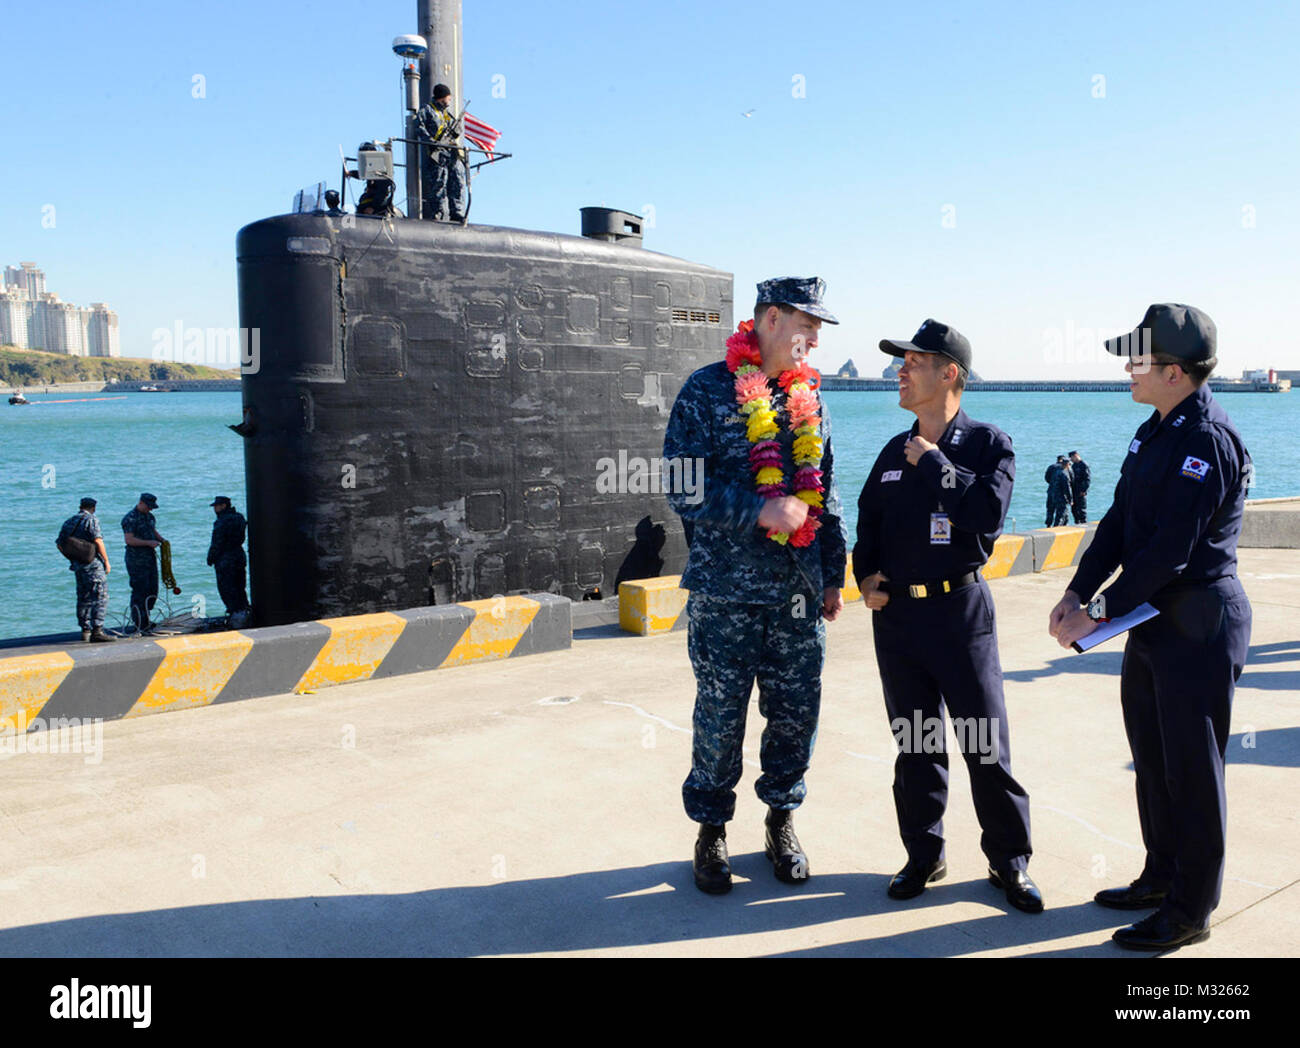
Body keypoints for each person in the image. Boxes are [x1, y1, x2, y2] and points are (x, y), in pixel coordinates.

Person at [1050, 303, 1252, 951]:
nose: (1126, 371)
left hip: (1198, 618)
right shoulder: (1155, 430)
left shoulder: (1207, 440)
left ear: (1173, 370)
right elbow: (1117, 523)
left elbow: (1172, 550)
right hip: (1155, 618)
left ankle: (1191, 910)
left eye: (1136, 361)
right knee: (1156, 760)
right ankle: (1161, 876)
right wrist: (1079, 588)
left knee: (1192, 770)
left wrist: (1098, 612)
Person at [663, 277, 846, 894]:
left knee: (796, 717)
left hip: (797, 599)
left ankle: (781, 822)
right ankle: (711, 832)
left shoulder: (811, 400)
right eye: (806, 323)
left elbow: (828, 496)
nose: (815, 336)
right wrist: (756, 510)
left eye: (819, 328)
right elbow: (682, 487)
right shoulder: (704, 391)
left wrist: (833, 575)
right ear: (769, 319)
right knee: (720, 719)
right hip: (726, 597)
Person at [854, 319, 1041, 914]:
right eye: (900, 362)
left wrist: (936, 463)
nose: (901, 372)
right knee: (915, 744)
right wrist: (866, 576)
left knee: (984, 743)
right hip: (900, 622)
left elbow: (987, 514)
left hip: (960, 613)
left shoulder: (990, 444)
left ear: (949, 373)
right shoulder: (889, 451)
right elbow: (868, 526)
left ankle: (1009, 861)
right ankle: (923, 853)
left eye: (913, 361)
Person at [57, 497, 115, 643]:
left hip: (78, 565)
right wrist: (107, 561)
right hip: (93, 565)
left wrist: (73, 557)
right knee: (100, 596)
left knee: (83, 597)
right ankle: (98, 630)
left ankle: (85, 630)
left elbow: (59, 543)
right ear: (93, 508)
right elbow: (98, 541)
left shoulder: (69, 521)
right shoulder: (92, 520)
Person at [416, 83, 467, 223]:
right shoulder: (427, 110)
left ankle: (456, 211)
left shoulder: (446, 114)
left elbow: (455, 132)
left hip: (450, 153)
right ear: (442, 97)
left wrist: (456, 130)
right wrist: (432, 141)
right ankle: (438, 211)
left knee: (457, 180)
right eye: (448, 98)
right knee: (439, 182)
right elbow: (419, 127)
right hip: (436, 153)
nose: (449, 101)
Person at [121, 492, 165, 635]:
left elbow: (152, 530)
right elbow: (129, 539)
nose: (150, 510)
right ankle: (140, 623)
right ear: (141, 503)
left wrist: (163, 541)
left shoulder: (150, 517)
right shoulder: (130, 518)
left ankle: (147, 619)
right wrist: (148, 543)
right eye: (148, 507)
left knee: (152, 589)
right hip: (136, 560)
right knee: (140, 591)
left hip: (150, 558)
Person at [207, 496, 251, 626]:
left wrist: (210, 557)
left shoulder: (222, 521)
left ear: (223, 506)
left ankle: (235, 615)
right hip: (238, 554)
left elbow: (217, 542)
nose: (215, 508)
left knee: (227, 587)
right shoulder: (239, 517)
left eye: (217, 506)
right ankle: (244, 611)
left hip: (225, 558)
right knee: (239, 585)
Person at [1044, 455, 1072, 526]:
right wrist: (1070, 499)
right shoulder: (1065, 472)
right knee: (1061, 513)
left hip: (1051, 492)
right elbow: (1068, 486)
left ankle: (1048, 525)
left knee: (1050, 510)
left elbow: (1047, 478)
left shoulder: (1052, 467)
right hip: (1061, 496)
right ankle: (1057, 528)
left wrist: (1053, 485)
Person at [1069, 451, 1091, 523]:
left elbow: (1087, 479)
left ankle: (1084, 524)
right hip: (1074, 490)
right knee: (1074, 509)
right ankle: (1077, 523)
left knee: (1082, 510)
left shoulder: (1084, 465)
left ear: (1076, 456)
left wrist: (1084, 490)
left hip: (1081, 491)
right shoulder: (1074, 465)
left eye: (1072, 458)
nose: (1071, 460)